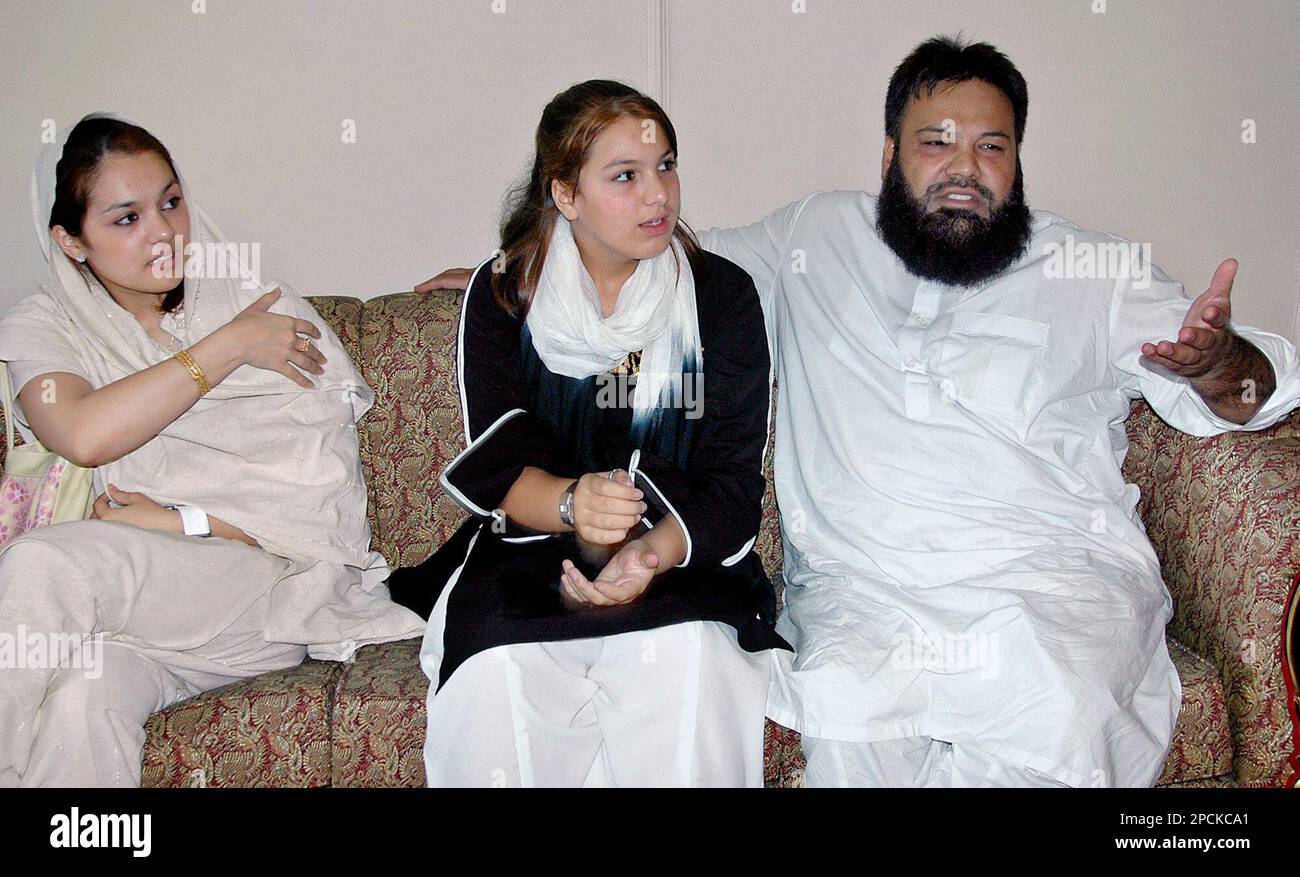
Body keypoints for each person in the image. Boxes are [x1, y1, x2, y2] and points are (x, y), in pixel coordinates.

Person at [419, 40, 1300, 787]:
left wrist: (1229, 367)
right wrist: (518, 274)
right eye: (936, 142)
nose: (964, 168)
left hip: (1052, 580)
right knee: (847, 721)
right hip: (864, 588)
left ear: (1019, 161)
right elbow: (655, 257)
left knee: (1056, 713)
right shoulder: (814, 240)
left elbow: (1246, 388)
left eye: (993, 147)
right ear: (889, 157)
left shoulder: (1093, 272)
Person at [0, 115, 424, 787]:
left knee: (41, 567)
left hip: (267, 599)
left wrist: (184, 520)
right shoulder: (43, 328)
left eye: (171, 201)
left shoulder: (258, 303)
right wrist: (225, 348)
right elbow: (81, 431)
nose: (164, 231)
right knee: (84, 700)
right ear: (70, 241)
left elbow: (315, 503)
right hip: (142, 624)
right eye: (126, 217)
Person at [393, 80, 789, 787]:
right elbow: (502, 468)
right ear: (566, 196)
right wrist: (575, 504)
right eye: (626, 176)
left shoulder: (722, 297)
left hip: (679, 563)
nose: (659, 194)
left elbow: (733, 486)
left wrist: (646, 555)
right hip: (529, 563)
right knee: (500, 673)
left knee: (690, 662)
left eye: (666, 165)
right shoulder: (503, 296)